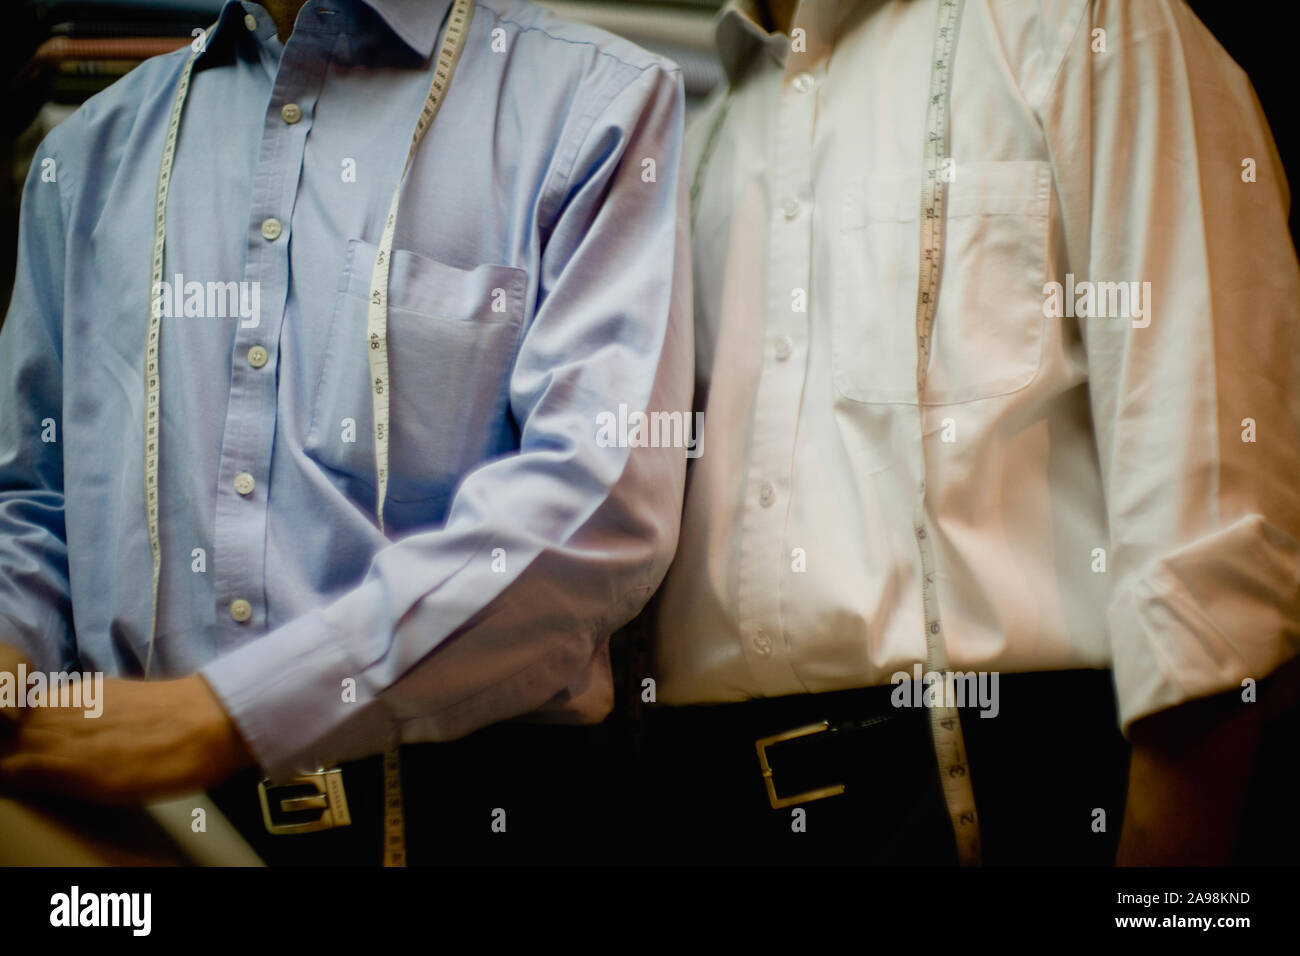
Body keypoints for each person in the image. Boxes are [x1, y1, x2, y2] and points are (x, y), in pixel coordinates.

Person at [0, 0, 691, 865]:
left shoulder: (599, 106)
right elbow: (34, 501)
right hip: (131, 828)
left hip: (470, 817)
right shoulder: (88, 155)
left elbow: (598, 508)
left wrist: (226, 715)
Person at [641, 0, 1300, 865]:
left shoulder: (1088, 23)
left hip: (1028, 794)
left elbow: (1212, 511)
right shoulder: (699, 132)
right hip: (713, 801)